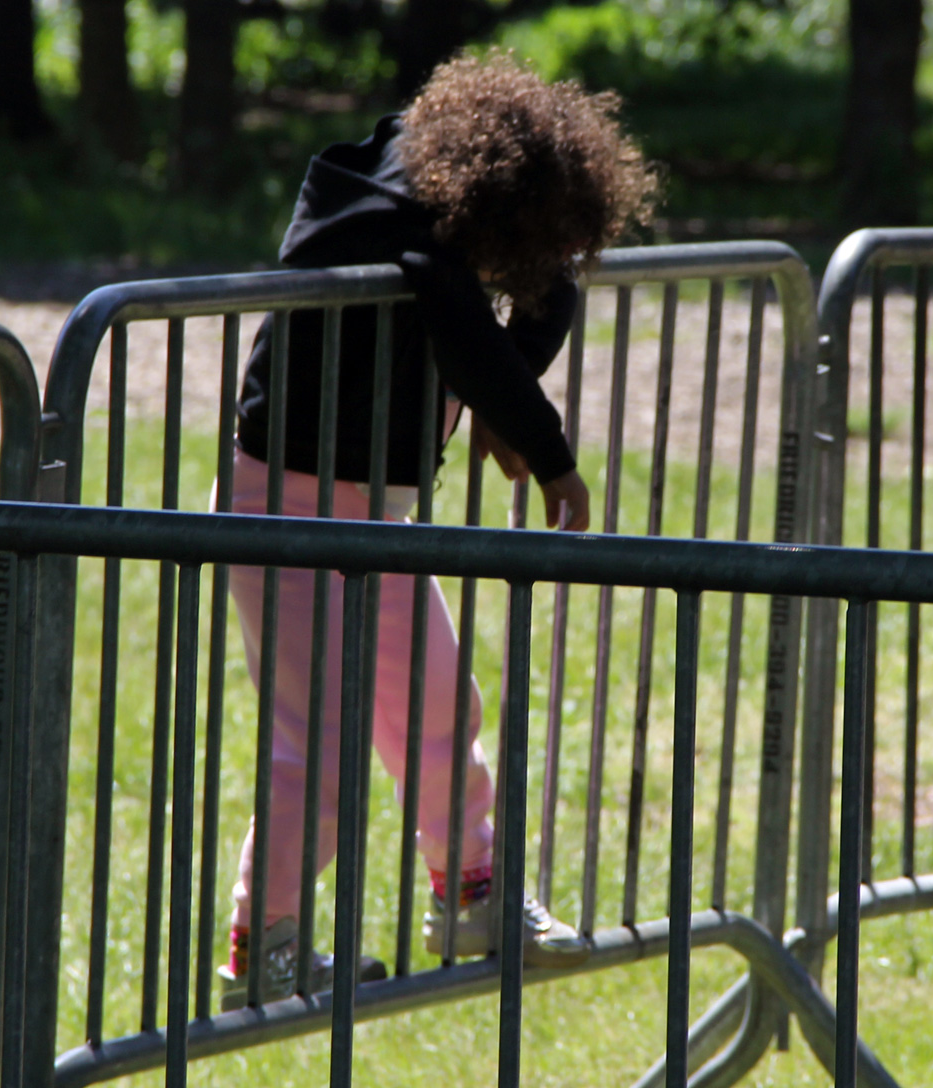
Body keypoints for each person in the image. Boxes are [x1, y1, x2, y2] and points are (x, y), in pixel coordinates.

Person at [216, 50, 658, 1009]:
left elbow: (550, 289)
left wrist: (498, 401)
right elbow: (455, 310)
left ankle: (471, 896)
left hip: (378, 508)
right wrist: (543, 446)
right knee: (319, 743)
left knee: (436, 708)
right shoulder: (388, 217)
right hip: (283, 505)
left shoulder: (449, 203)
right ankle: (267, 948)